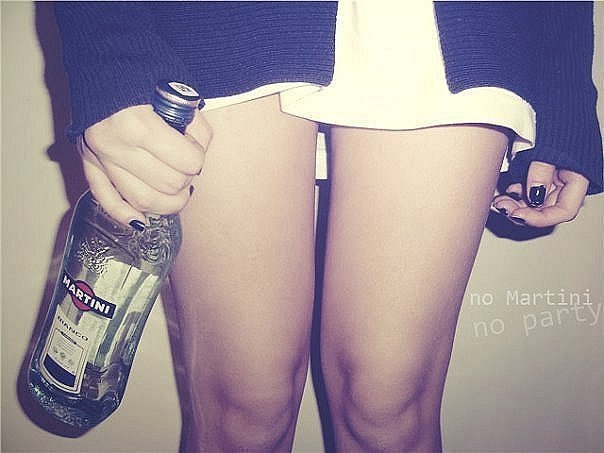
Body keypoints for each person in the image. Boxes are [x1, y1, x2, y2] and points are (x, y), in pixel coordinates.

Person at [53, 1, 602, 451]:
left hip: (446, 21)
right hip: (222, 14)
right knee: (243, 413)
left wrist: (565, 86)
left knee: (387, 410)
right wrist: (104, 45)